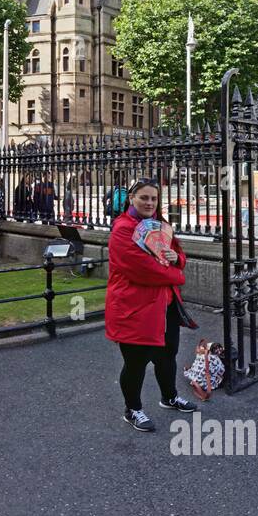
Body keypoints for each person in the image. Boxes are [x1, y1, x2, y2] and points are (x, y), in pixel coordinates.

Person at [107, 179, 197, 432]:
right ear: (131, 198)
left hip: (165, 305)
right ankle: (132, 409)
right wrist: (178, 275)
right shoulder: (122, 229)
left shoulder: (160, 224)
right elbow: (143, 270)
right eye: (144, 198)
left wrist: (177, 258)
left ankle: (169, 397)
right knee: (136, 363)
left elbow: (178, 253)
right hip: (135, 308)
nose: (149, 203)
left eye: (154, 199)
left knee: (168, 356)